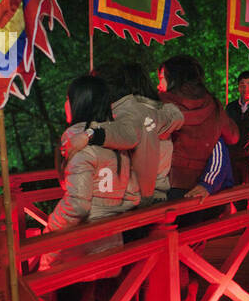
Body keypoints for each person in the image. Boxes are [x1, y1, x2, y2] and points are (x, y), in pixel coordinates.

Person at [32, 76, 141, 301]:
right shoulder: (117, 147)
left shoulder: (80, 146)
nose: (64, 105)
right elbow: (131, 195)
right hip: (108, 241)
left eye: (68, 98)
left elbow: (77, 204)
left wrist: (50, 229)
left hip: (78, 245)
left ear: (77, 102)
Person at [69, 62, 182, 205]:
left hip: (139, 198)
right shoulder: (154, 111)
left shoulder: (129, 115)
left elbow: (124, 136)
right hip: (154, 194)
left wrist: (90, 134)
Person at [158, 55, 239, 222]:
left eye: (161, 78)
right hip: (202, 192)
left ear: (173, 79)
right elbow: (233, 137)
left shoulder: (161, 106)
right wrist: (208, 184)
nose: (159, 85)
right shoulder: (214, 106)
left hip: (164, 190)